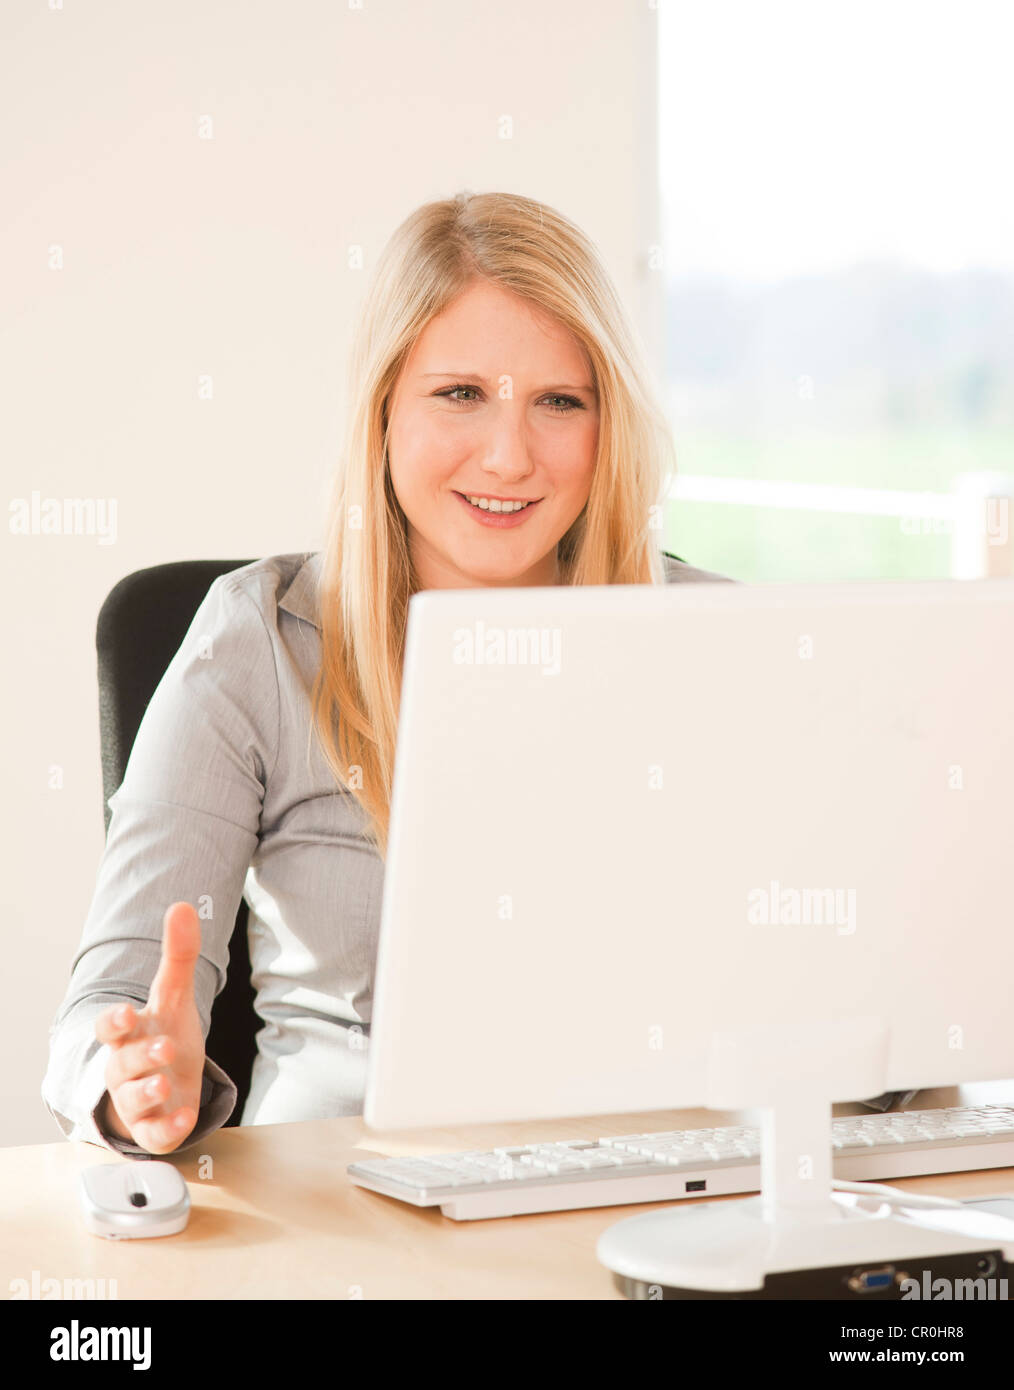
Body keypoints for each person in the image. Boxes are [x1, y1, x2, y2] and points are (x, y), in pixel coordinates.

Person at [41, 190, 732, 1158]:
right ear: (384, 408)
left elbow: (849, 987)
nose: (509, 454)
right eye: (461, 394)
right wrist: (132, 1081)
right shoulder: (261, 641)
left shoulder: (719, 640)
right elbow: (105, 1008)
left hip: (647, 1183)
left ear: (606, 422)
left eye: (558, 402)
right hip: (351, 1194)